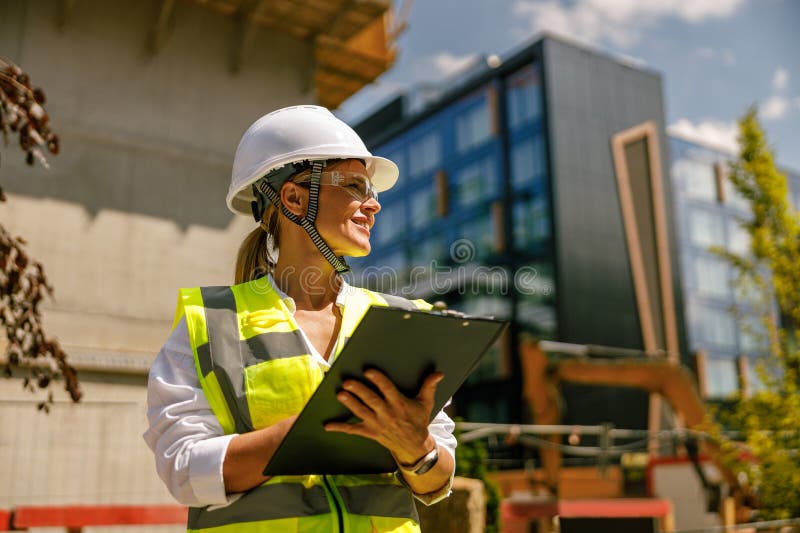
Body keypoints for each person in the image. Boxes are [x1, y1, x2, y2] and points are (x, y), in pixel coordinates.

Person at [144, 105, 457, 532]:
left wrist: (417, 449)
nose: (374, 205)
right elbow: (183, 469)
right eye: (355, 186)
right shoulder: (211, 324)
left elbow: (437, 480)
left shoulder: (403, 321)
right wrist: (301, 437)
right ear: (293, 199)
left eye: (372, 191)